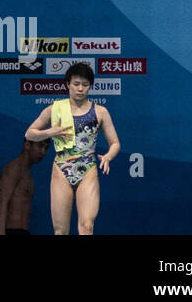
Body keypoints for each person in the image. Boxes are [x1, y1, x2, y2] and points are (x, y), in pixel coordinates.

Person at [23, 63, 121, 235]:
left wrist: (108, 157)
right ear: (68, 84)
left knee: (87, 226)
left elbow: (115, 143)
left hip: (88, 170)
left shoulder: (100, 112)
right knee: (60, 231)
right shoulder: (55, 109)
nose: (80, 89)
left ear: (90, 86)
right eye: (76, 84)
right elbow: (29, 134)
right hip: (61, 170)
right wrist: (49, 132)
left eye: (85, 85)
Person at [0, 138, 50, 235]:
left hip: (24, 231)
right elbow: (2, 202)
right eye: (40, 146)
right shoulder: (14, 168)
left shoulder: (28, 175)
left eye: (46, 148)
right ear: (27, 145)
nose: (43, 152)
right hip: (11, 231)